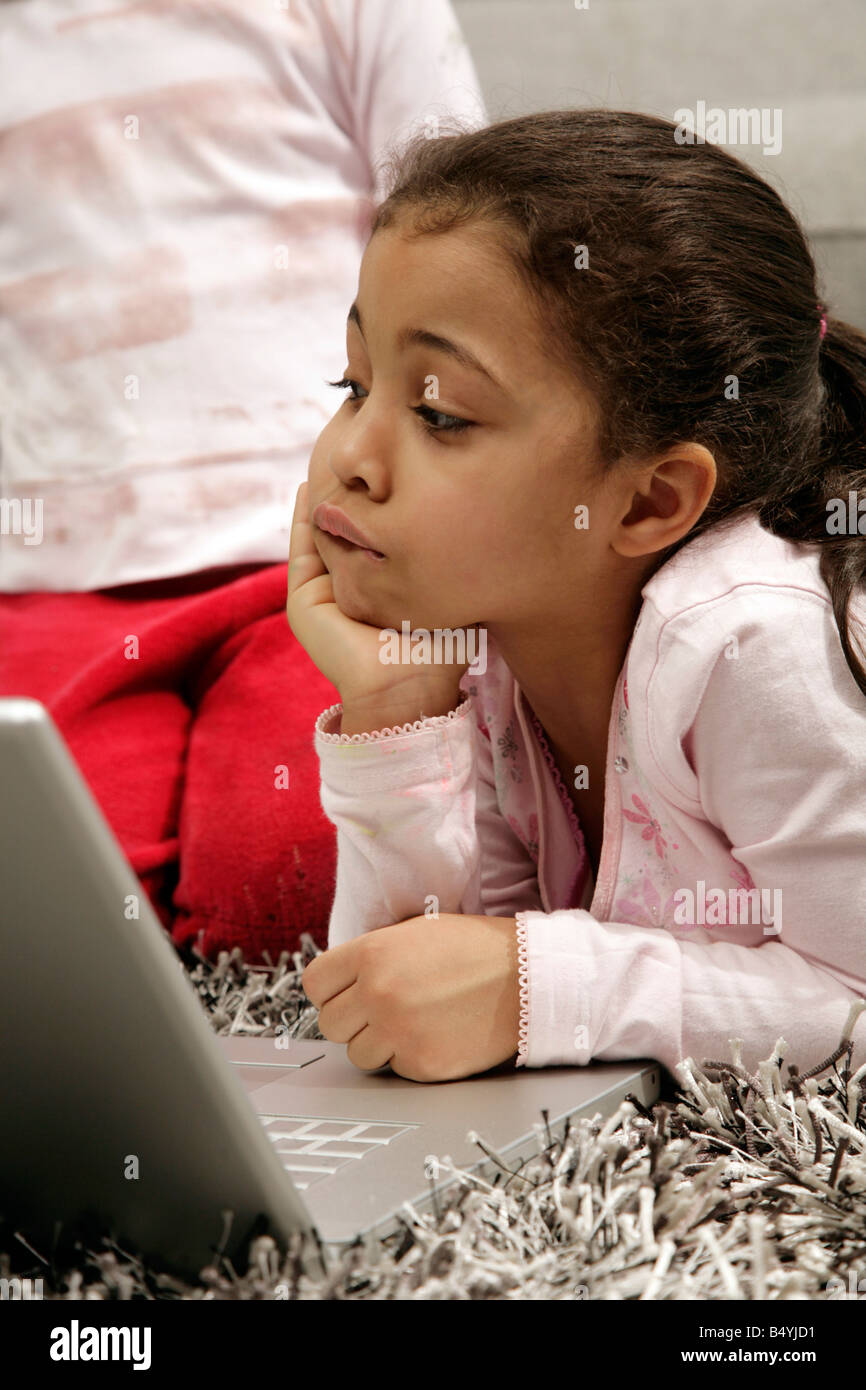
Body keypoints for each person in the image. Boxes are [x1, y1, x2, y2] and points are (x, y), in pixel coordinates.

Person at [288, 108, 866, 1083]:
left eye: (438, 412)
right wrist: (397, 712)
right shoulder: (485, 627)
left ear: (646, 499)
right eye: (351, 385)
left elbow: (852, 995)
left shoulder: (750, 642)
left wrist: (537, 987)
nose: (347, 457)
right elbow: (394, 996)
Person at [0, 0, 486, 960]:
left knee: (286, 891)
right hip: (50, 575)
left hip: (322, 552)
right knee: (49, 916)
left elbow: (471, 236)